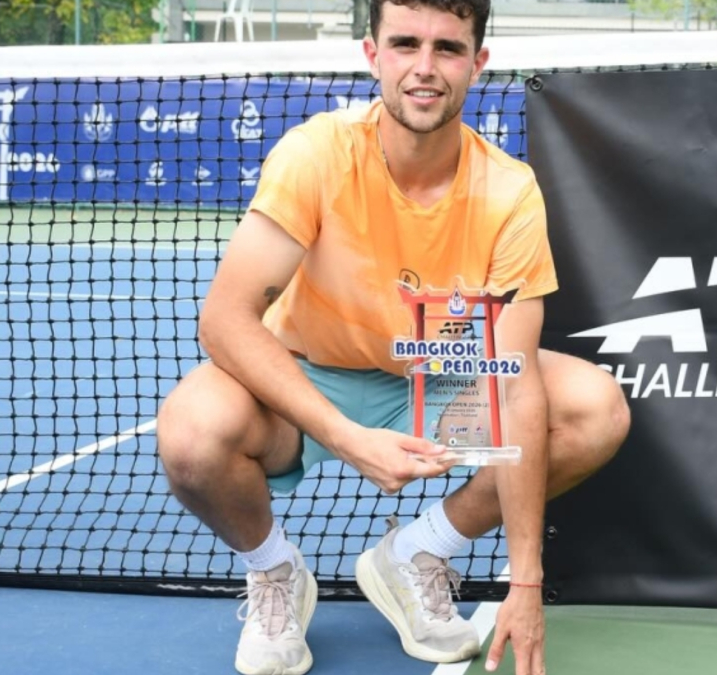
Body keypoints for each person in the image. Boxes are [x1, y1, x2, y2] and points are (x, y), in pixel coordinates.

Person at [155, 0, 631, 673]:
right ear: (372, 54)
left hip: (443, 378)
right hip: (313, 372)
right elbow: (224, 320)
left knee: (594, 410)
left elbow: (515, 383)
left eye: (448, 48)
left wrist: (525, 581)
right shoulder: (317, 154)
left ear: (477, 64)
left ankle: (417, 551)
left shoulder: (509, 191)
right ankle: (275, 569)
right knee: (190, 433)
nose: (424, 67)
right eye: (406, 44)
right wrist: (347, 438)